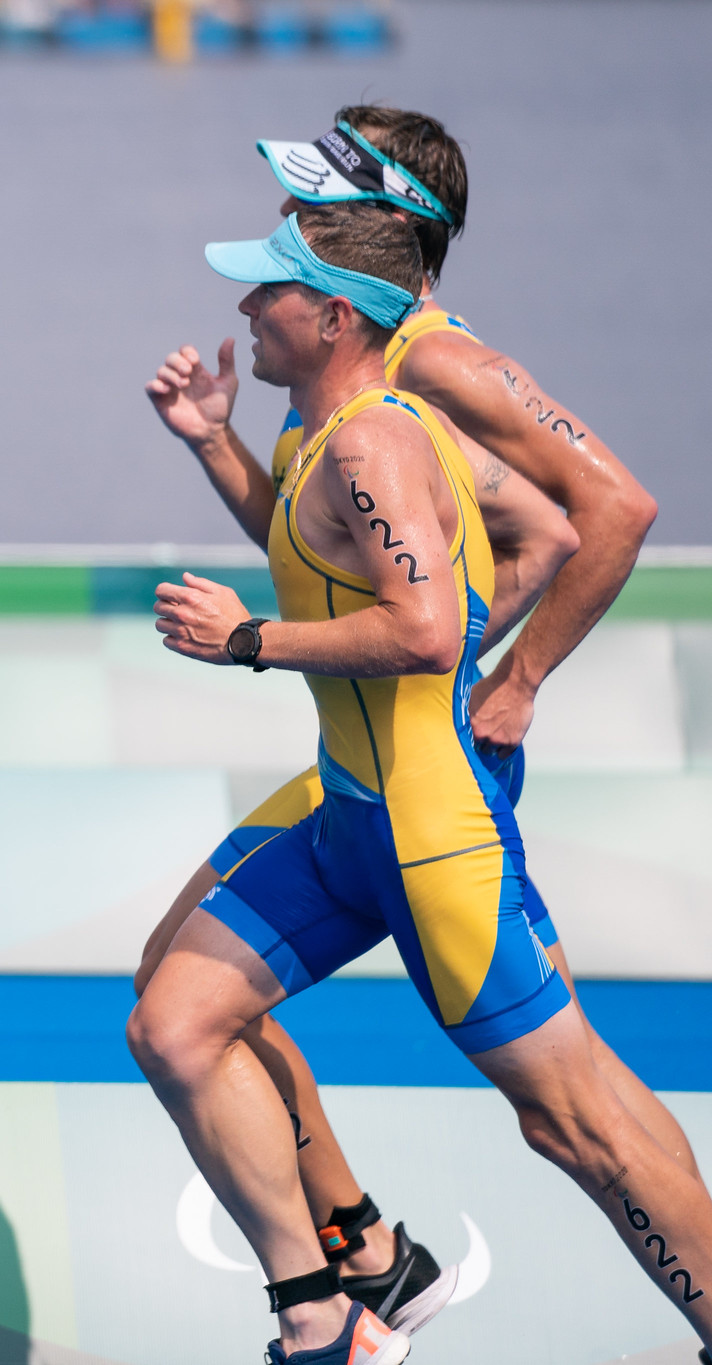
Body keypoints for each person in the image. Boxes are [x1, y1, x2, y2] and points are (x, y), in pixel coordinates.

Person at [133, 105, 688, 1338]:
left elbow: (596, 518)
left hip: (426, 796)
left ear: (369, 246)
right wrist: (218, 448)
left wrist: (506, 677)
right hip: (359, 786)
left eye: (311, 204)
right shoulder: (334, 386)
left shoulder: (418, 372)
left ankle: (366, 1263)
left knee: (576, 1121)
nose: (270, 247)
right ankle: (350, 1274)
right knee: (174, 1014)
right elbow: (333, 553)